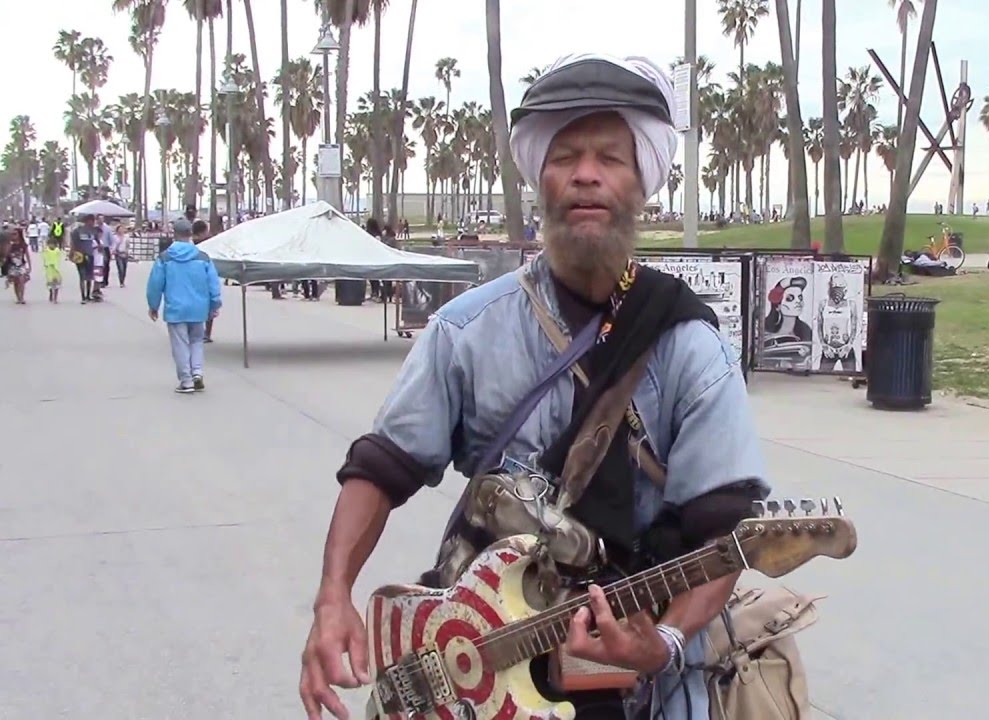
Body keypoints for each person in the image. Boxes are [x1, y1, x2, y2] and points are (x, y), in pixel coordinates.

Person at [298, 53, 768, 720]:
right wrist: (333, 596)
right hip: (479, 674)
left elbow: (725, 532)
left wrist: (663, 642)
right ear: (538, 180)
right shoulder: (467, 331)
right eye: (565, 156)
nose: (586, 174)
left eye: (611, 157)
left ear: (642, 185)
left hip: (643, 689)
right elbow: (382, 465)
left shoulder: (693, 349)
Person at [145, 219, 223, 394]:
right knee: (197, 341)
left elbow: (155, 284)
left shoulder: (165, 258)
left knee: (180, 344)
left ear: (174, 234)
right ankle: (197, 372)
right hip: (198, 308)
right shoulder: (203, 257)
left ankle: (186, 380)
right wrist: (215, 303)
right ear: (190, 235)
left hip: (176, 309)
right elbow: (213, 283)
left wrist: (153, 305)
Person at [68, 214, 101, 303]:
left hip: (90, 255)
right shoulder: (77, 231)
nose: (93, 223)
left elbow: (97, 242)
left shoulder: (93, 231)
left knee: (89, 276)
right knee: (82, 276)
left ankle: (88, 295)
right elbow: (73, 244)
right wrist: (71, 254)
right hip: (80, 256)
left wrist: (100, 246)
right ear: (87, 221)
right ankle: (83, 297)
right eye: (92, 221)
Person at [3, 228, 31, 304]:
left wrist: (29, 266)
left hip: (21, 265)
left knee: (21, 280)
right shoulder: (10, 244)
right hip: (12, 265)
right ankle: (18, 298)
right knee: (16, 282)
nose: (13, 236)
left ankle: (22, 297)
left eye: (15, 234)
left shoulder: (23, 244)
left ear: (19, 235)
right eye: (12, 234)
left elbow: (27, 255)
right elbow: (5, 254)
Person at [41, 237, 64, 303]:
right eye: (50, 244)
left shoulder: (57, 251)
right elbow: (44, 255)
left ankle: (55, 298)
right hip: (49, 269)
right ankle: (51, 293)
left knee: (56, 284)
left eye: (53, 244)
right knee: (50, 284)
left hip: (56, 269)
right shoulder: (46, 250)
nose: (51, 246)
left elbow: (59, 255)